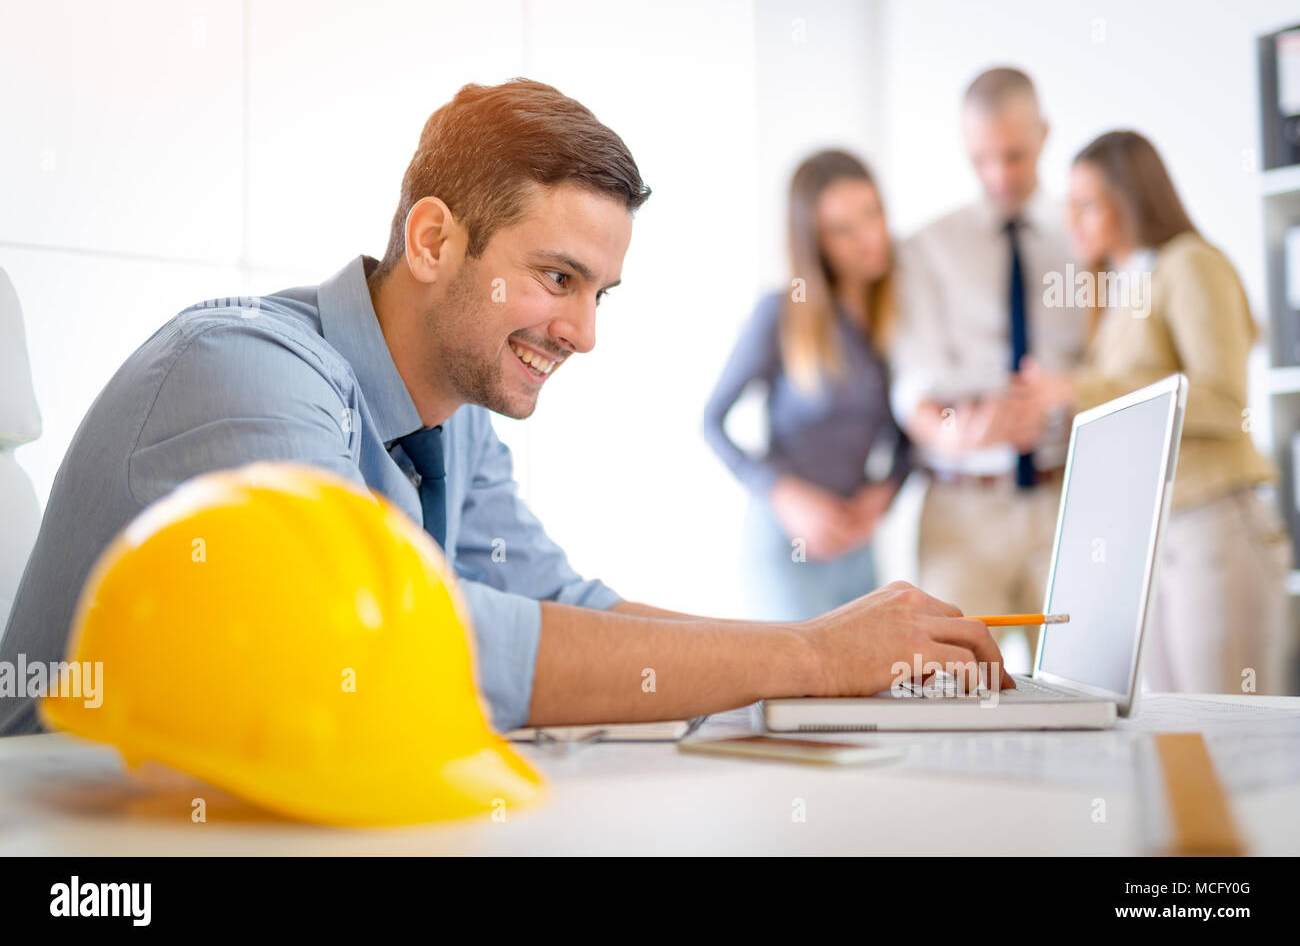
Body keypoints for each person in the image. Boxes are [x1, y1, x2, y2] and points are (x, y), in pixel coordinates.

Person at [0, 80, 1013, 739]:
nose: (583, 332)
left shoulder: (455, 412)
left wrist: (824, 654)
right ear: (434, 240)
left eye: (598, 295)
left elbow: (559, 608)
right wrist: (807, 657)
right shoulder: (242, 368)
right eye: (557, 277)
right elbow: (367, 641)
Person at [1017, 130, 1293, 695]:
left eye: (1088, 204)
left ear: (1132, 199)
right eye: (1068, 204)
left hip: (1214, 523)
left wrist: (1079, 390)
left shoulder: (1190, 263)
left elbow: (1221, 397)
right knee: (1170, 727)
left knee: (1223, 726)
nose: (1072, 221)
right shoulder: (1121, 286)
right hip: (1157, 535)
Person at [889, 67, 1089, 666]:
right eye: (981, 159)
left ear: (1045, 134)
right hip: (963, 510)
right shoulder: (927, 248)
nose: (999, 174)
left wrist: (1060, 401)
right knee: (954, 688)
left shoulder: (1086, 237)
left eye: (1014, 155)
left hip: (1067, 502)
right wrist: (962, 429)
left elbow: (1114, 366)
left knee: (1087, 687)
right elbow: (912, 391)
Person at [702, 150, 910, 621]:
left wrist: (885, 491)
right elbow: (711, 423)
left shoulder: (898, 317)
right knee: (798, 692)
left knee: (864, 691)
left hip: (858, 547)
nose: (868, 238)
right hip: (786, 542)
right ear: (815, 241)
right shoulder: (781, 313)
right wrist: (784, 494)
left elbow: (909, 437)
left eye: (872, 214)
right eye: (841, 229)